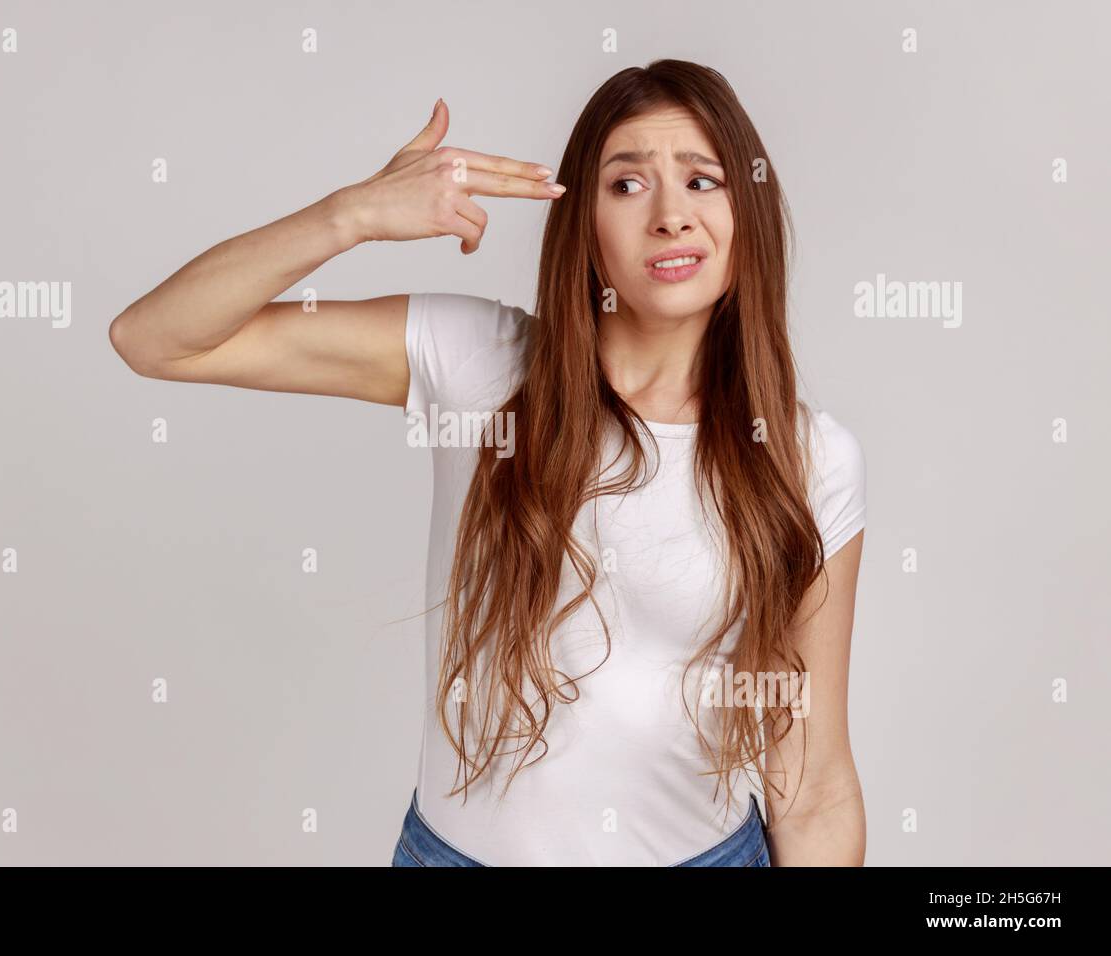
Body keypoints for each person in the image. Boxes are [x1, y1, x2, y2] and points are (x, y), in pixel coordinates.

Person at [109, 58, 867, 867]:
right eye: (627, 185)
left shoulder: (808, 458)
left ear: (745, 214)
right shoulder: (480, 363)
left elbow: (813, 783)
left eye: (703, 179)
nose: (671, 215)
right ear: (583, 230)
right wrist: (351, 215)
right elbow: (155, 338)